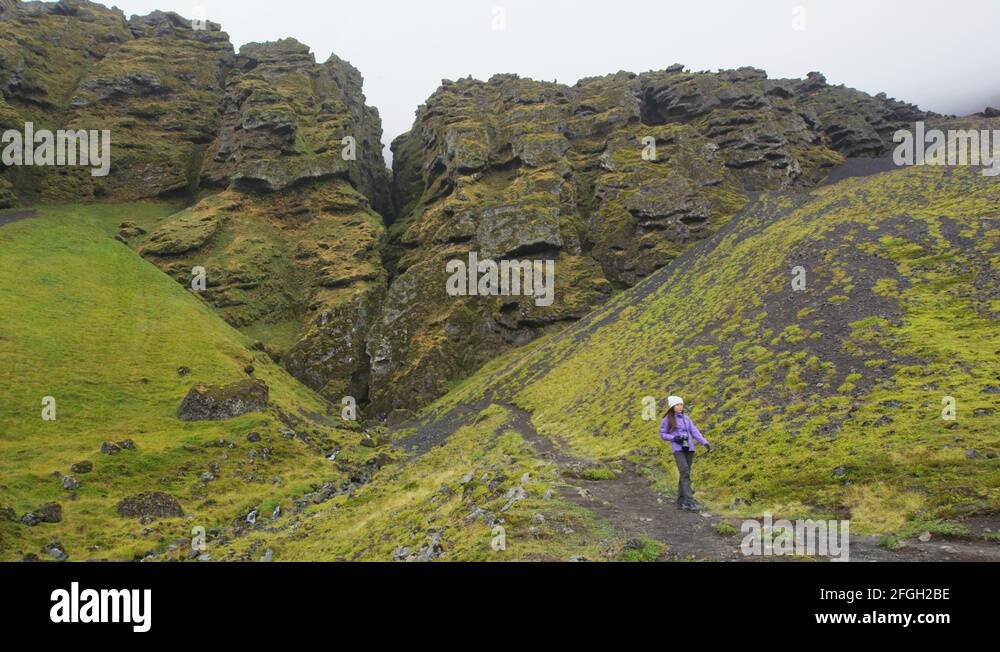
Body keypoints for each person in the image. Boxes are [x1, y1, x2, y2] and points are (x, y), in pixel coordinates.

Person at [659, 396, 712, 512]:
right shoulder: (668, 419)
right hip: (678, 449)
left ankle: (680, 501)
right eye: (677, 404)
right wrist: (674, 438)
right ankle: (689, 501)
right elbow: (663, 434)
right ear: (672, 406)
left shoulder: (686, 419)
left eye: (681, 404)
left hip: (689, 449)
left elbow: (695, 432)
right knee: (685, 472)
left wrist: (705, 442)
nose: (680, 406)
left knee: (684, 475)